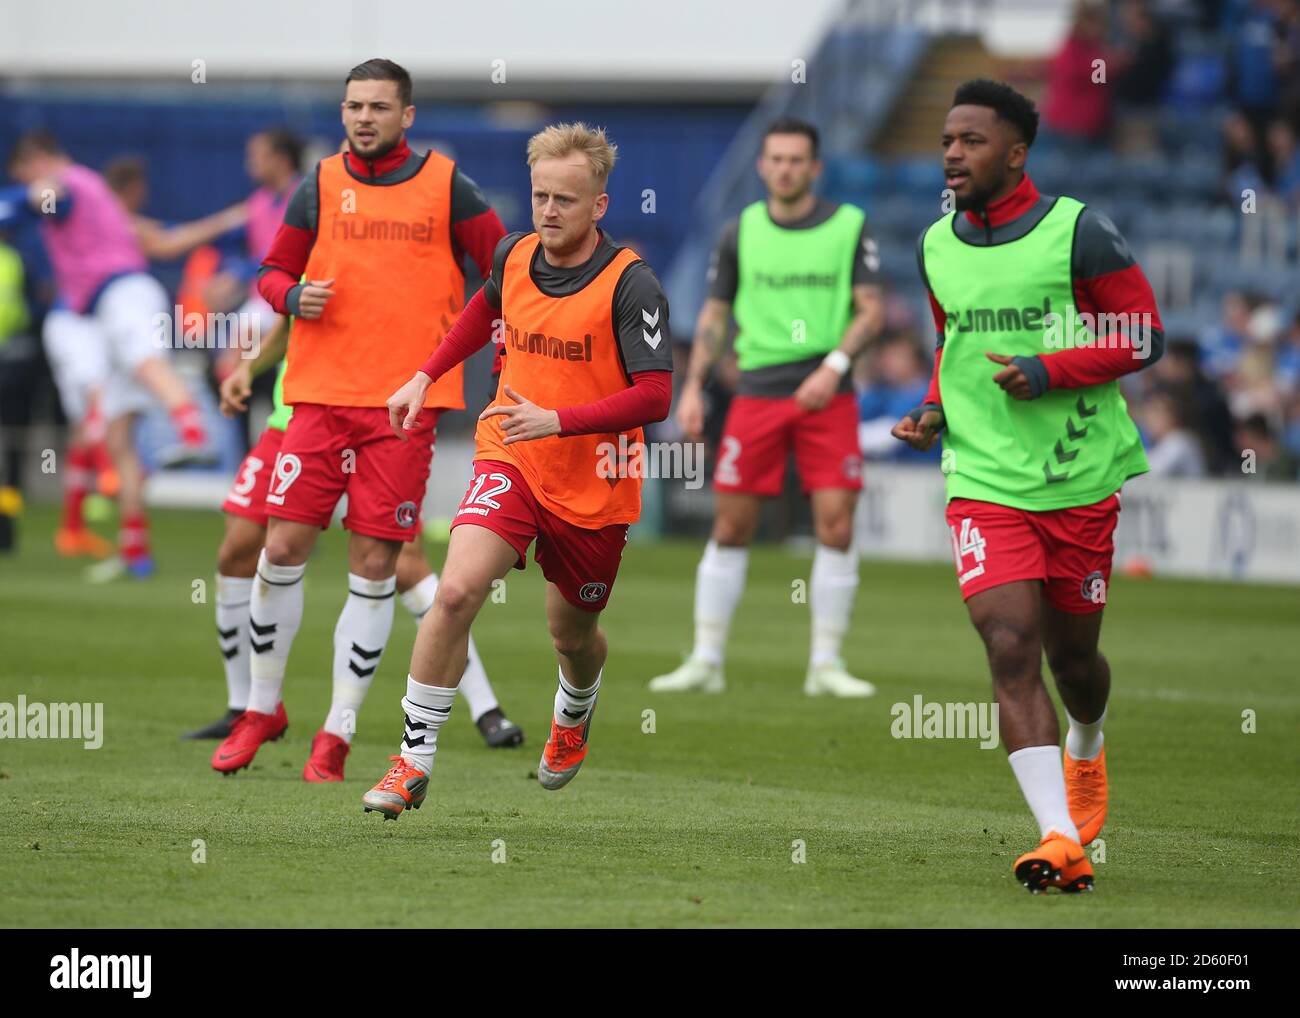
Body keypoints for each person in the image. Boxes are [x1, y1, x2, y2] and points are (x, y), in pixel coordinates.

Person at [891, 80, 1164, 893]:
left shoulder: (1077, 231)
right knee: (1009, 642)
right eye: (946, 139)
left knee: (1073, 657)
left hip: (1077, 476)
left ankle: (1088, 738)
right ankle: (1057, 836)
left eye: (971, 140)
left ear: (1016, 153)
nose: (952, 153)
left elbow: (1144, 333)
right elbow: (953, 342)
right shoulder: (934, 243)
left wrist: (1052, 370)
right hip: (981, 476)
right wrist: (936, 410)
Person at [362, 122, 673, 820]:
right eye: (540, 195)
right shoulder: (514, 254)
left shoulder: (633, 284)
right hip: (512, 454)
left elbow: (656, 395)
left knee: (572, 634)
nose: (549, 210)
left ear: (599, 204)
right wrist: (425, 374)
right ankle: (412, 759)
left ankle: (575, 707)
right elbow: (484, 308)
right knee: (455, 592)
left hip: (594, 478)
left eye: (566, 198)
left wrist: (560, 420)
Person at [208, 59, 509, 779]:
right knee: (279, 550)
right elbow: (272, 272)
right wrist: (291, 296)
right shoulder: (317, 184)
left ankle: (336, 732)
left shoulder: (448, 185)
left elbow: (506, 270)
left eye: (378, 106)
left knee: (377, 565)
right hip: (317, 396)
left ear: (407, 115)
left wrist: (498, 362)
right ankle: (260, 709)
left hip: (404, 405)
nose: (363, 118)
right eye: (352, 106)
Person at [182, 314, 524, 759]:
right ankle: (241, 705)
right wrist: (250, 364)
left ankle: (484, 706)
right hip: (296, 417)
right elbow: (290, 314)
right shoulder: (313, 248)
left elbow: (489, 283)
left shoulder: (403, 262)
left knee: (403, 564)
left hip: (376, 414)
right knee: (240, 550)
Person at [648, 117, 883, 697]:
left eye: (797, 160)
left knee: (836, 524)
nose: (785, 168)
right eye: (775, 159)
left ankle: (825, 663)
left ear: (815, 167)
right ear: (761, 166)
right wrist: (696, 386)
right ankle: (706, 657)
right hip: (756, 392)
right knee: (731, 524)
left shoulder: (849, 226)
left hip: (828, 392)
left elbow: (871, 310)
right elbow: (713, 315)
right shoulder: (740, 231)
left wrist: (834, 367)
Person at [5, 131, 216, 576]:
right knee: (119, 439)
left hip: (121, 294)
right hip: (109, 304)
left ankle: (195, 436)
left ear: (36, 160)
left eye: (24, 170)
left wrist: (23, 198)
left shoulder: (62, 179)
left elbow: (45, 195)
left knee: (144, 367)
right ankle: (136, 550)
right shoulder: (99, 194)